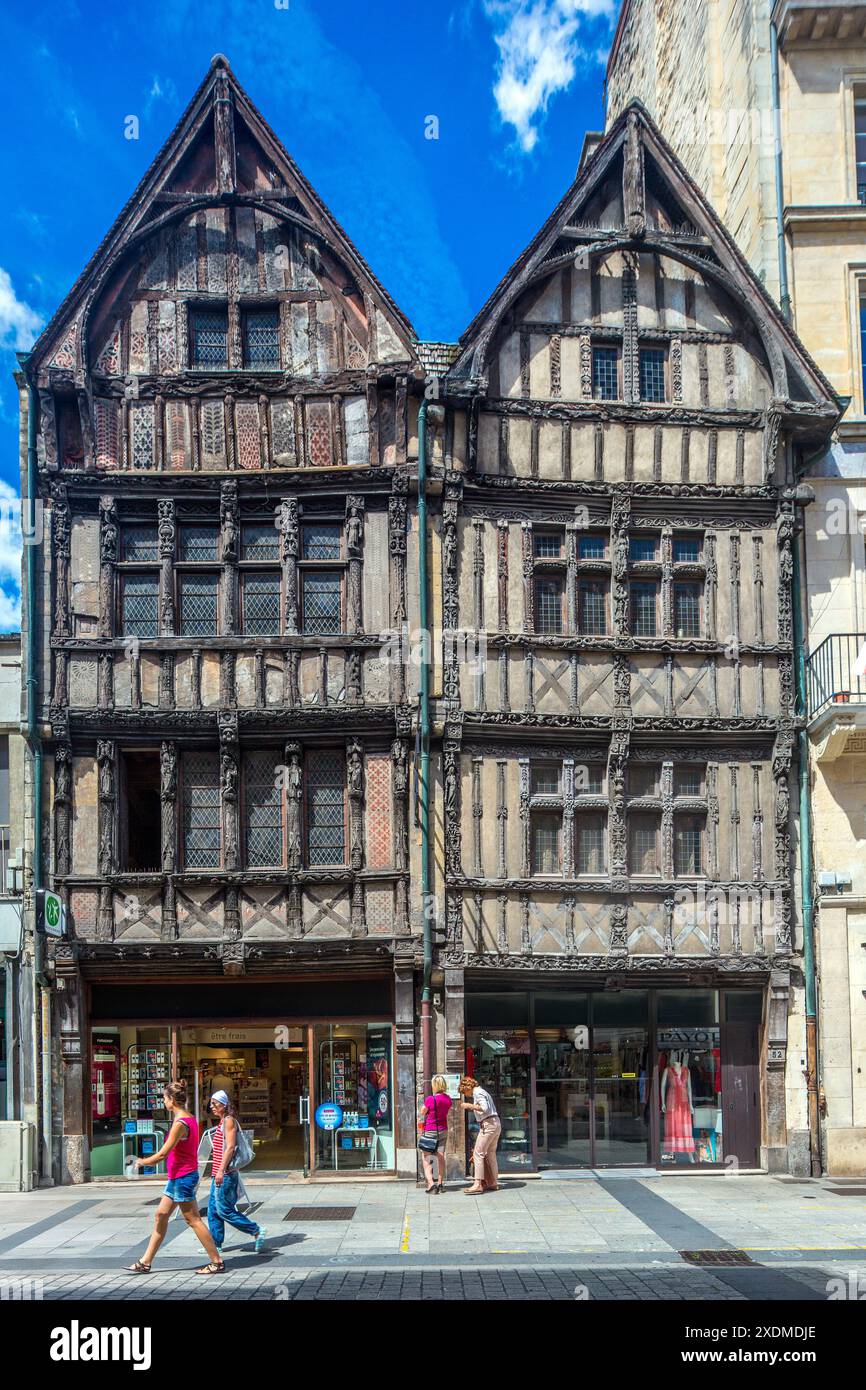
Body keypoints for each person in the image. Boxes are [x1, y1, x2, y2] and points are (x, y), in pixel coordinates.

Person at [126, 1079, 225, 1275]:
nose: (163, 1101)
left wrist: (141, 1162)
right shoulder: (189, 1118)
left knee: (193, 1220)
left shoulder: (181, 1123)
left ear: (172, 1099)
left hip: (183, 1177)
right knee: (161, 1215)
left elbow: (163, 1154)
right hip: (177, 1178)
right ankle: (145, 1262)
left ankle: (217, 1262)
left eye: (164, 1098)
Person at [207, 1090, 267, 1255]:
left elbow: (231, 1147)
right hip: (218, 1172)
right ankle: (215, 1244)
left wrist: (220, 1170)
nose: (212, 1106)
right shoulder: (221, 1122)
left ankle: (255, 1230)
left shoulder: (228, 1121)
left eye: (215, 1103)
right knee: (213, 1209)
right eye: (211, 1103)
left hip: (225, 1173)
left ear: (224, 1105)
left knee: (223, 1209)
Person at [459, 1075, 501, 1195]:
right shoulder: (483, 1091)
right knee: (490, 1154)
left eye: (464, 1092)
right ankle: (493, 1182)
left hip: (488, 1124)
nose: (466, 1095)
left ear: (468, 1087)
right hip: (495, 1123)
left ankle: (477, 1184)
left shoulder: (477, 1092)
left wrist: (469, 1106)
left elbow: (485, 1108)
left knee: (478, 1153)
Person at [418, 1074, 452, 1194]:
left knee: (426, 1157)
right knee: (440, 1155)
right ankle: (441, 1182)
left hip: (430, 1130)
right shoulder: (448, 1099)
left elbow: (423, 1112)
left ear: (434, 1086)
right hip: (443, 1130)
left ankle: (431, 1183)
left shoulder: (430, 1099)